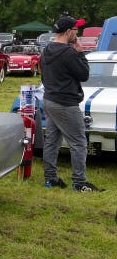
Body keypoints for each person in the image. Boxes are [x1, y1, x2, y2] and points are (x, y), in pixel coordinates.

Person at [41, 15, 101, 192]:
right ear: (68, 32)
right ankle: (79, 182)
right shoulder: (68, 53)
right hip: (66, 103)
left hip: (50, 100)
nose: (78, 33)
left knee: (52, 141)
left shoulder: (46, 50)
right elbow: (84, 75)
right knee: (79, 143)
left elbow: (43, 76)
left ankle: (50, 179)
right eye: (76, 30)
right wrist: (80, 52)